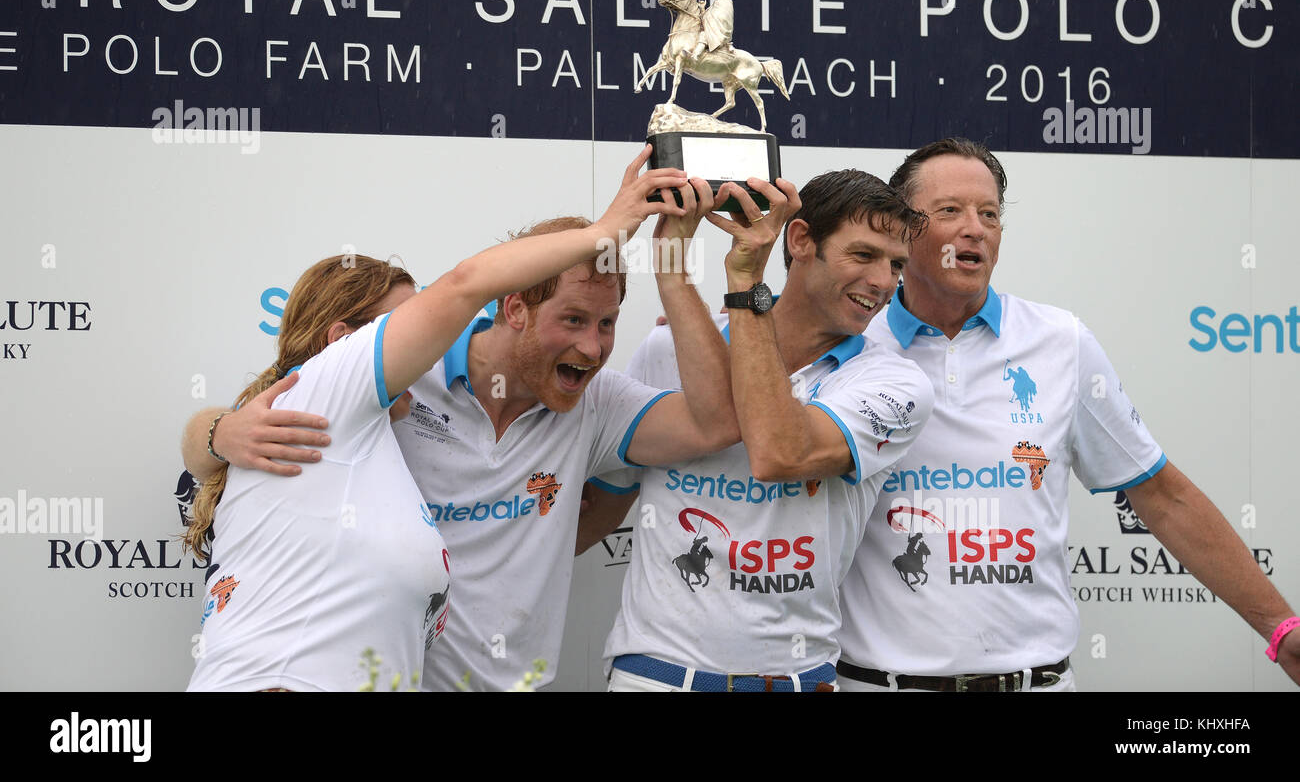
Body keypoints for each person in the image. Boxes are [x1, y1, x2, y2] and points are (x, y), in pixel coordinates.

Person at [181, 146, 741, 691]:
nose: (593, 348)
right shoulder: (394, 381)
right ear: (514, 307)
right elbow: (461, 286)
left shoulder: (598, 404)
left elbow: (715, 425)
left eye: (607, 324)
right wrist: (216, 431)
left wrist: (673, 272)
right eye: (572, 319)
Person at [835, 137, 1300, 691]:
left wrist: (1281, 627)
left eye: (990, 214)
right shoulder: (851, 345)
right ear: (904, 231)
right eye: (950, 211)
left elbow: (1162, 496)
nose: (975, 229)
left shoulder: (1060, 343)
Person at [603, 169, 935, 691]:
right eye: (864, 255)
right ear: (800, 240)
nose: (883, 282)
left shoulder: (895, 381)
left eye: (896, 265)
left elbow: (779, 453)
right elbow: (602, 503)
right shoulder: (670, 347)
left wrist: (745, 285)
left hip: (795, 679)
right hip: (657, 675)